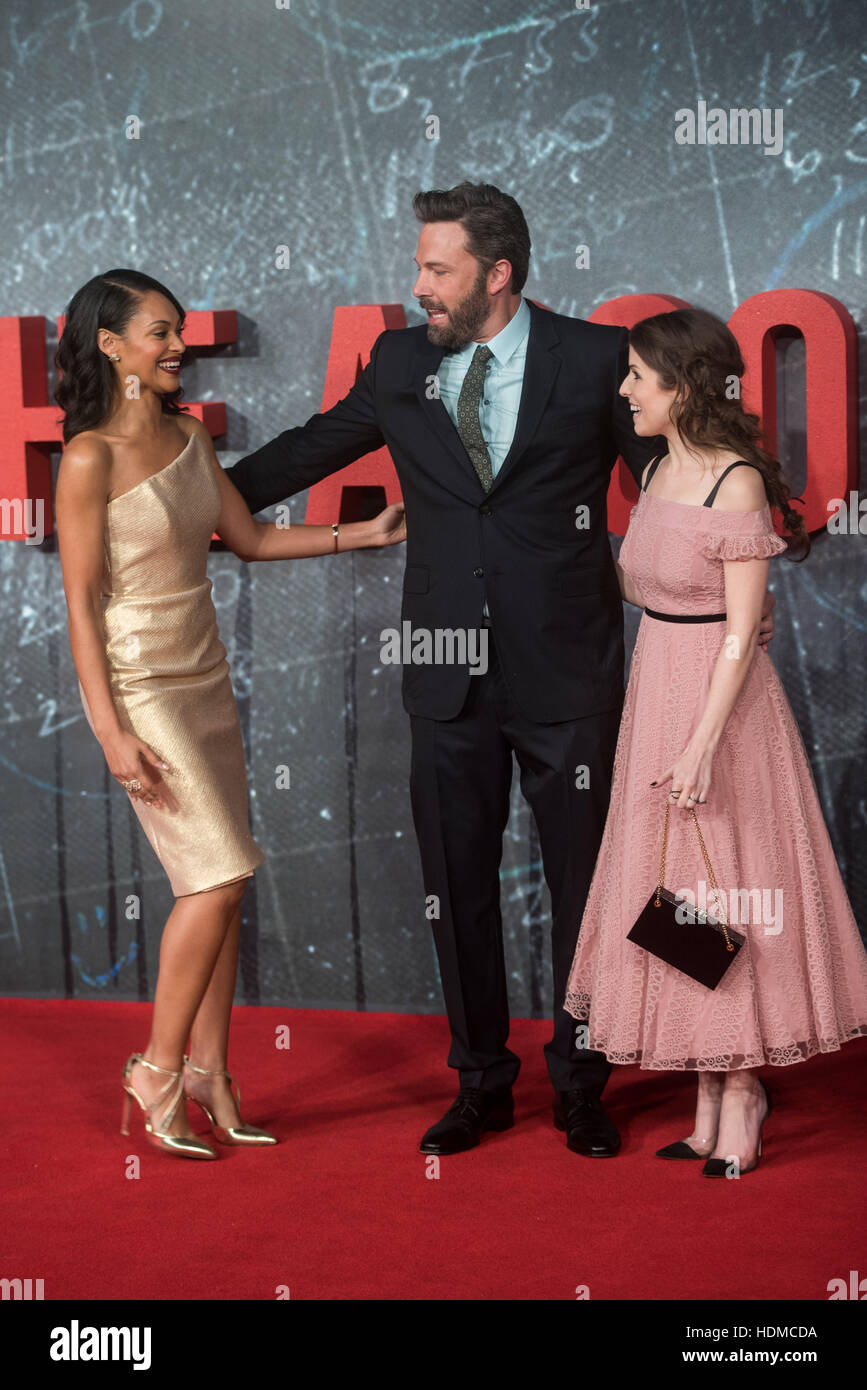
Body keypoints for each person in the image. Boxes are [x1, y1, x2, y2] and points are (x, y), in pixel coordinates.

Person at [223, 182, 778, 1158]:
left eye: (437, 268)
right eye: (420, 265)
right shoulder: (399, 361)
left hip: (571, 677)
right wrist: (187, 501)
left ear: (498, 273)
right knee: (457, 886)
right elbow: (311, 449)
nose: (418, 284)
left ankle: (581, 1082)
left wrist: (735, 560)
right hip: (445, 676)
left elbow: (673, 477)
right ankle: (481, 1080)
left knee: (588, 887)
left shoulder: (598, 359)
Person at [54, 269, 405, 1160]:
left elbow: (246, 542)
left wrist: (356, 535)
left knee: (226, 885)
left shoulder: (188, 439)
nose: (179, 347)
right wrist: (109, 728)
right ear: (111, 344)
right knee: (213, 876)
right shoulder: (87, 458)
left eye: (179, 333)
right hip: (141, 692)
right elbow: (82, 604)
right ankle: (157, 1069)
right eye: (160, 332)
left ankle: (209, 1069)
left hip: (206, 684)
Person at [564, 305, 867, 1175]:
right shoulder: (657, 470)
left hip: (720, 708)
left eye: (636, 376)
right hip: (656, 686)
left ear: (683, 383)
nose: (622, 391)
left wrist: (700, 742)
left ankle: (743, 1089)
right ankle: (708, 1079)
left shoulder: (733, 481)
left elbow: (739, 632)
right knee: (675, 896)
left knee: (730, 887)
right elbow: (647, 587)